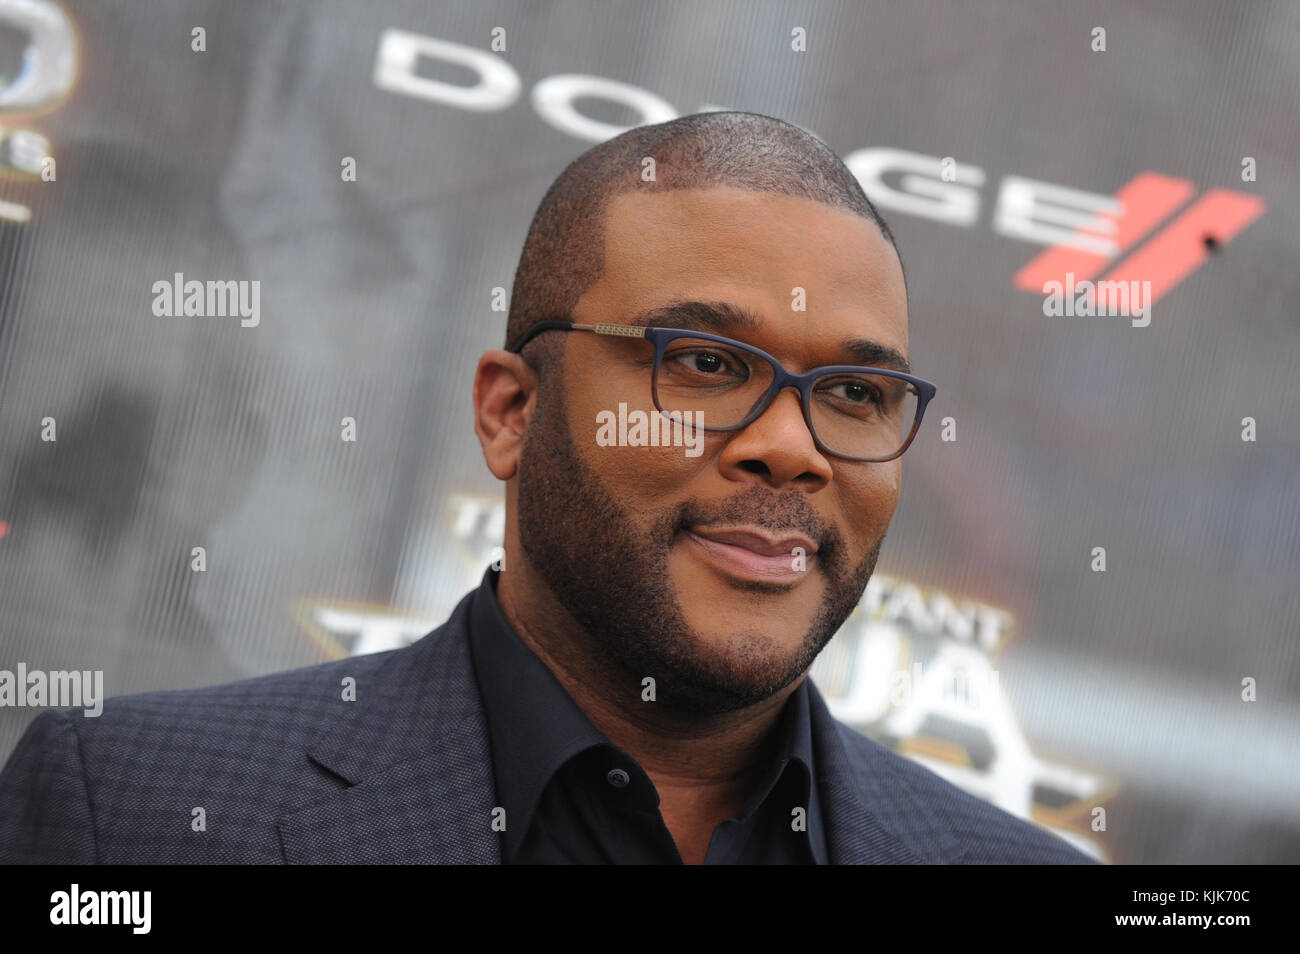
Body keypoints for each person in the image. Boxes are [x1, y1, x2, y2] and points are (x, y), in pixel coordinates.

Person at [0, 111, 1092, 864]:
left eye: (855, 392)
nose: (791, 448)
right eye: (705, 365)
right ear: (510, 412)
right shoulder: (133, 810)